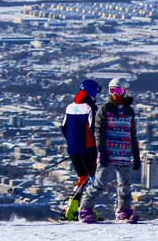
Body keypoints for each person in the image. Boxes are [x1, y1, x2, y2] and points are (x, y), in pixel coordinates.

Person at [79, 77, 140, 224]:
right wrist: (101, 150)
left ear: (125, 92)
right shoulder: (105, 109)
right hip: (108, 152)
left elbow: (132, 133)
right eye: (112, 90)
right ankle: (85, 210)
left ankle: (123, 211)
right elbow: (98, 130)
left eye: (117, 90)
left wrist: (136, 155)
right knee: (99, 183)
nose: (114, 94)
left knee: (124, 184)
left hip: (124, 153)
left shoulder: (129, 111)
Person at [59, 79, 101, 221]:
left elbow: (64, 128)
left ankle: (71, 209)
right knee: (92, 180)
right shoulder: (90, 108)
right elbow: (94, 129)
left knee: (82, 178)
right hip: (88, 149)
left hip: (73, 149)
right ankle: (86, 210)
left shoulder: (69, 107)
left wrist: (73, 143)